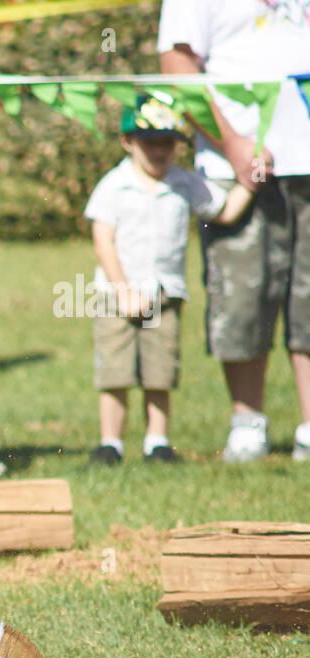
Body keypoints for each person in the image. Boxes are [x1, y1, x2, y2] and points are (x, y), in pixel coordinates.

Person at [159, 0, 310, 463]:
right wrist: (233, 145)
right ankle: (248, 423)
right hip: (234, 164)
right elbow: (178, 64)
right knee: (241, 293)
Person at [84, 97, 253, 465]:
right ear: (128, 142)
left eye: (167, 142)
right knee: (115, 371)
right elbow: (103, 239)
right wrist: (123, 292)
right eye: (149, 142)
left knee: (159, 371)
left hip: (165, 293)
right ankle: (110, 443)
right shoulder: (115, 185)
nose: (159, 150)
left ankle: (156, 442)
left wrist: (251, 182)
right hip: (118, 295)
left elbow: (222, 210)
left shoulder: (184, 182)